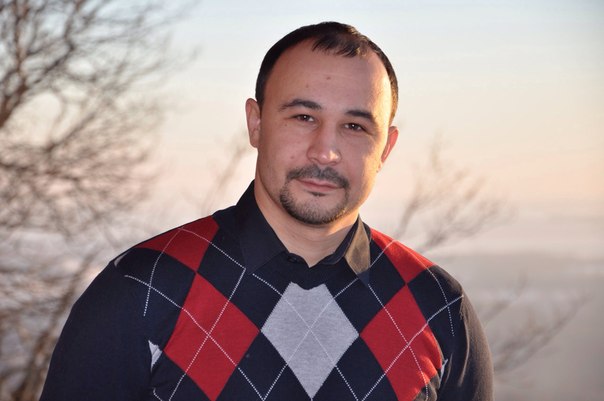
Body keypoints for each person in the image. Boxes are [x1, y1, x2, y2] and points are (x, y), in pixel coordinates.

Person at [40, 22, 493, 401]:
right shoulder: (142, 289)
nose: (326, 151)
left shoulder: (437, 307)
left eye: (355, 126)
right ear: (256, 124)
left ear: (386, 148)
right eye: (303, 117)